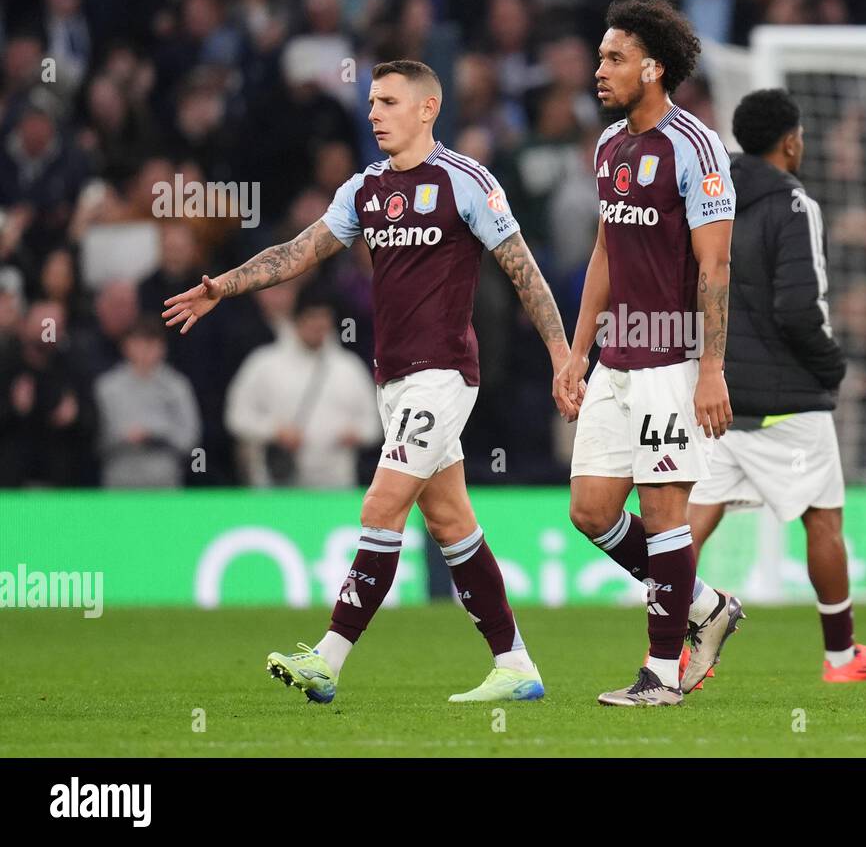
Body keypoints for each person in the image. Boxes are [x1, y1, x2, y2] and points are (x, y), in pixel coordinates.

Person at [164, 59, 576, 704]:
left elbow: (525, 272)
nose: (374, 112)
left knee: (381, 508)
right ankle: (515, 663)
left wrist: (561, 356)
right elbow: (297, 253)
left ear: (426, 109)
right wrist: (225, 285)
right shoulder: (363, 189)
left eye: (387, 101)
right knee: (450, 523)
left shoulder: (466, 182)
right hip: (392, 379)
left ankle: (328, 659)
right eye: (372, 101)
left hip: (442, 377)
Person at [686, 89, 866, 682]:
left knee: (691, 522)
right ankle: (840, 657)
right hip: (789, 401)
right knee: (822, 522)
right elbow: (798, 309)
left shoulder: (711, 197)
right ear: (789, 141)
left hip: (717, 394)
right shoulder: (794, 206)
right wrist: (831, 367)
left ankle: (669, 653)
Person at [556, 0, 741, 707]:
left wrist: (712, 369)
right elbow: (606, 247)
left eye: (614, 58)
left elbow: (717, 267)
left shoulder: (695, 148)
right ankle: (705, 609)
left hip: (673, 360)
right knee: (591, 510)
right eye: (601, 57)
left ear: (654, 68)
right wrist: (577, 353)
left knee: (666, 515)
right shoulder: (609, 146)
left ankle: (662, 675)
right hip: (616, 358)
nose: (599, 70)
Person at [224, 288, 381, 487]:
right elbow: (236, 416)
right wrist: (274, 431)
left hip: (337, 485)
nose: (318, 329)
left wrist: (357, 433)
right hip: (278, 484)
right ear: (297, 320)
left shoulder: (349, 367)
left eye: (323, 322)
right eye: (312, 320)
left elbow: (374, 424)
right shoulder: (264, 363)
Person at [95, 318, 200, 487]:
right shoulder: (107, 387)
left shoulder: (176, 386)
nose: (144, 351)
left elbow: (189, 438)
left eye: (151, 344)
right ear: (125, 346)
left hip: (163, 478)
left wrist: (155, 435)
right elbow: (96, 439)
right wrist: (123, 437)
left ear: (162, 348)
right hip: (119, 478)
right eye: (138, 344)